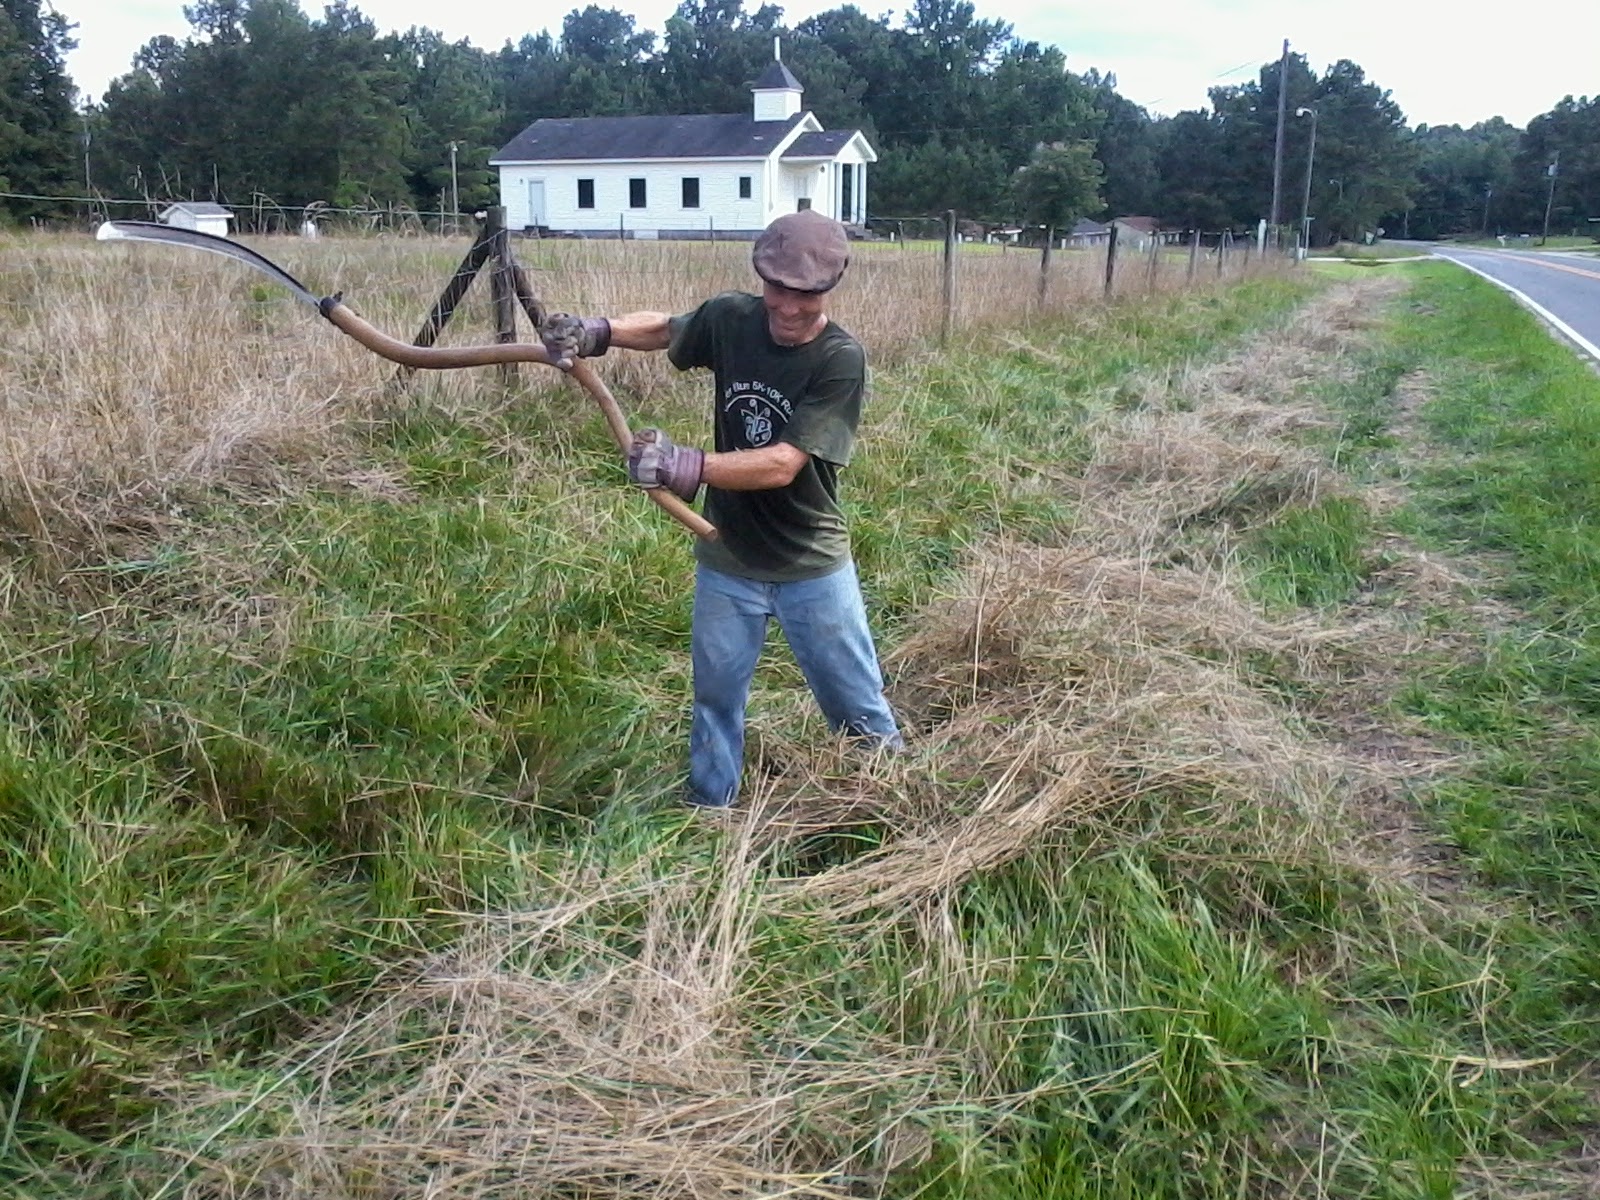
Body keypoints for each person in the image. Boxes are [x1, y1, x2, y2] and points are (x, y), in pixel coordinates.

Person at [540, 210, 902, 809]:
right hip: (727, 556)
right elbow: (666, 330)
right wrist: (596, 331)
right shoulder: (733, 318)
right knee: (715, 699)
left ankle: (892, 797)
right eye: (778, 289)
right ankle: (711, 812)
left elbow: (784, 462)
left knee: (855, 703)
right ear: (762, 278)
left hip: (809, 563)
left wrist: (688, 466)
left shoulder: (840, 358)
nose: (788, 307)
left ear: (829, 288)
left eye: (805, 296)